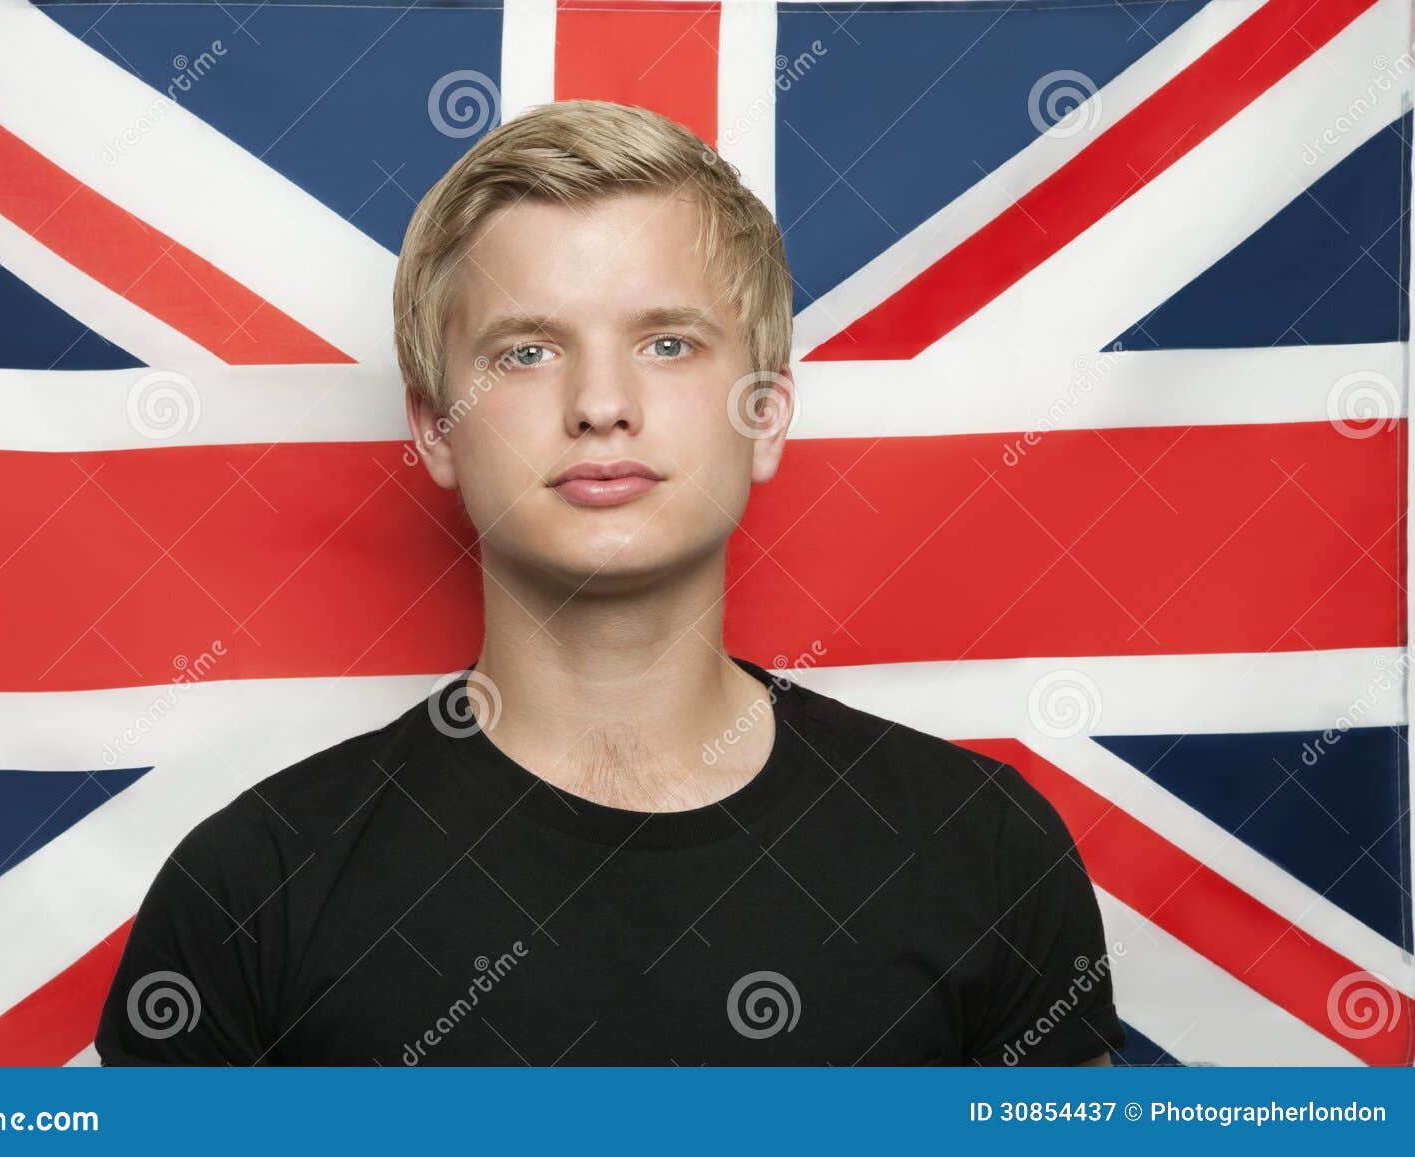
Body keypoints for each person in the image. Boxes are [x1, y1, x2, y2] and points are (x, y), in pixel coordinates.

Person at [95, 98, 1126, 1066]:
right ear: (433, 428)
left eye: (668, 343)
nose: (600, 403)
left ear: (765, 413)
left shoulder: (982, 847)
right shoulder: (250, 887)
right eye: (529, 350)